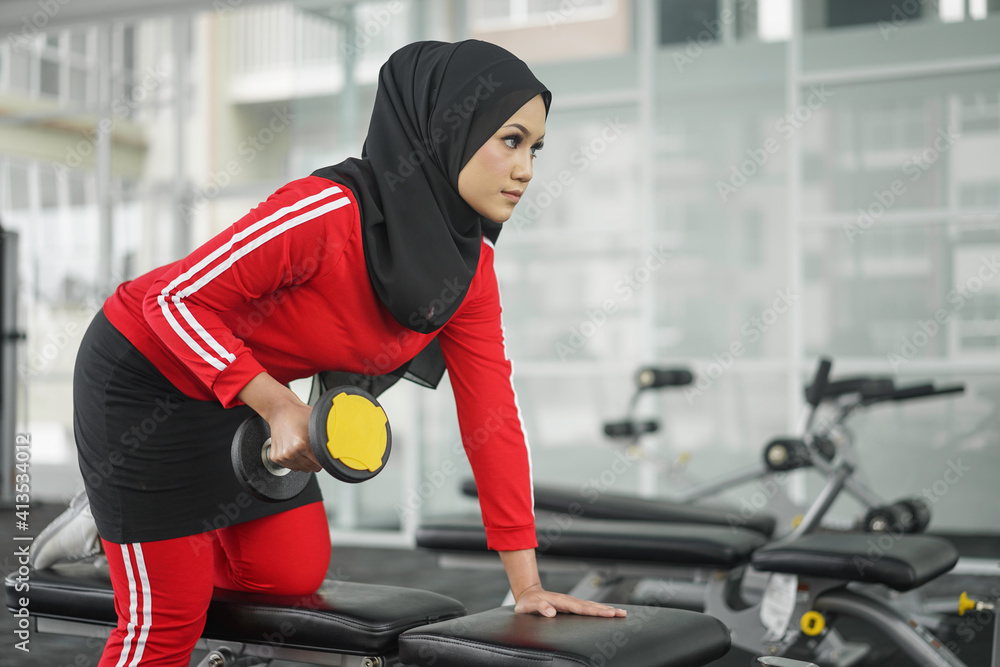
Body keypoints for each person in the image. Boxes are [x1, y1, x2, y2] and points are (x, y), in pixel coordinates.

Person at [32, 39, 626, 666]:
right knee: (167, 617)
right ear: (448, 128)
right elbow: (173, 303)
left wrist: (525, 585)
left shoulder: (469, 271)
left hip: (247, 393)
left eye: (535, 148)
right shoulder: (326, 211)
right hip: (147, 373)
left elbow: (493, 418)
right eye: (510, 140)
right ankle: (132, 525)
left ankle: (132, 537)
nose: (526, 168)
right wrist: (278, 406)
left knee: (287, 576)